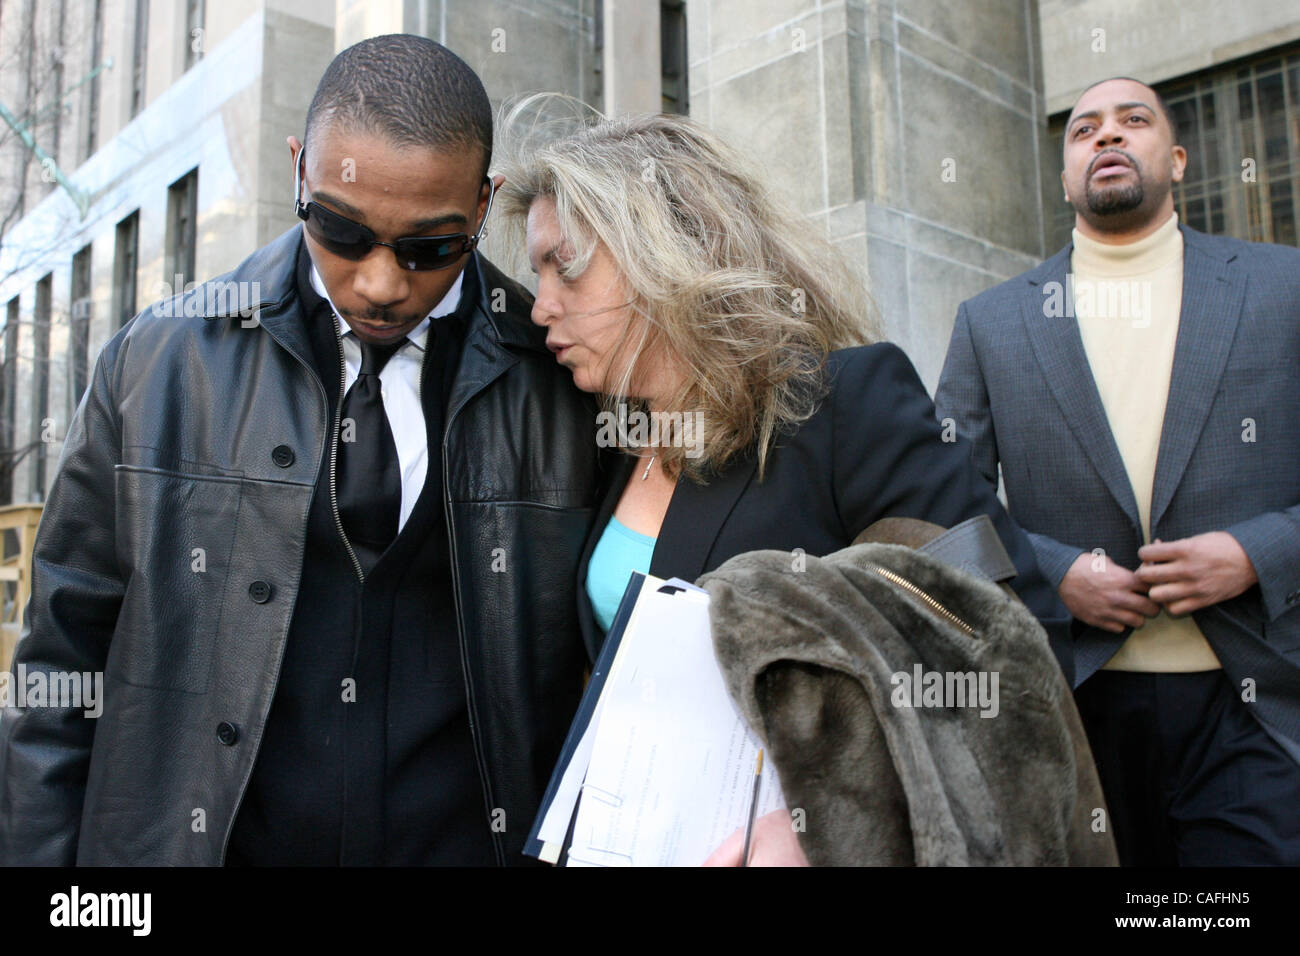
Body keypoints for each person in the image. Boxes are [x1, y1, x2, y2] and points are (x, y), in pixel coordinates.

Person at [0, 35, 602, 866]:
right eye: (342, 232)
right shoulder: (157, 362)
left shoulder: (563, 379)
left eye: (430, 247)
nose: (383, 284)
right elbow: (61, 663)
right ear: (298, 173)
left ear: (484, 202)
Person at [495, 105, 1073, 866]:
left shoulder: (846, 403)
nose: (542, 307)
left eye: (564, 266)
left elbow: (1011, 642)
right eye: (535, 273)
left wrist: (819, 822)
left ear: (667, 246)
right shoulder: (608, 441)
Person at [935, 76, 1300, 866]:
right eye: (1082, 130)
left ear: (1175, 160)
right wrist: (1052, 574)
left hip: (1256, 703)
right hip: (1070, 701)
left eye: (1132, 122)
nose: (1106, 136)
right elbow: (940, 514)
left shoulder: (1284, 288)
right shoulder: (990, 322)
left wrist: (1254, 553)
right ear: (1066, 176)